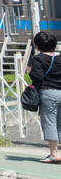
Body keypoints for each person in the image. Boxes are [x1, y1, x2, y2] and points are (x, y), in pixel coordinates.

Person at [29, 31, 61, 164]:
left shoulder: (38, 58)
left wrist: (30, 72)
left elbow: (37, 77)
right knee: (60, 123)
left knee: (50, 123)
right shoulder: (60, 57)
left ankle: (54, 154)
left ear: (37, 45)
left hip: (48, 93)